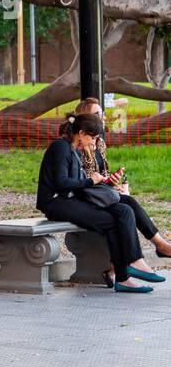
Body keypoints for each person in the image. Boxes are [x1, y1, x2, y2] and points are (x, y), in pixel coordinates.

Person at [37, 112, 163, 293]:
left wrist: (105, 183)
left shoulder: (75, 150)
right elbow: (61, 183)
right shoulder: (61, 148)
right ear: (81, 133)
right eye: (92, 137)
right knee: (111, 222)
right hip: (55, 203)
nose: (94, 142)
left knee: (124, 211)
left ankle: (132, 265)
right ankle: (125, 273)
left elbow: (78, 183)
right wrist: (91, 180)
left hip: (72, 199)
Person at [70, 97, 171, 259]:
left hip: (99, 193)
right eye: (97, 113)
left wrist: (113, 181)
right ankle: (156, 248)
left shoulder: (100, 142)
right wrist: (103, 182)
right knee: (126, 206)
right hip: (84, 196)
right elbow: (82, 176)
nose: (102, 117)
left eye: (102, 113)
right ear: (84, 118)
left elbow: (103, 172)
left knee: (126, 205)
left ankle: (120, 268)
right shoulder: (78, 143)